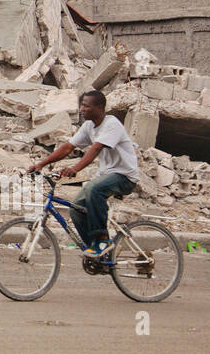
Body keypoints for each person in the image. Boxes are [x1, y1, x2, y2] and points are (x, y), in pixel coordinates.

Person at [26, 88, 138, 258]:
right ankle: (96, 252)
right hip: (106, 176)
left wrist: (74, 169)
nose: (81, 110)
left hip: (124, 177)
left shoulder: (112, 124)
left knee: (94, 189)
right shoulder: (88, 126)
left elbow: (96, 149)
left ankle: (102, 240)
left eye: (86, 106)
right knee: (76, 208)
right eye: (81, 106)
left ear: (100, 107)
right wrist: (41, 164)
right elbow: (68, 147)